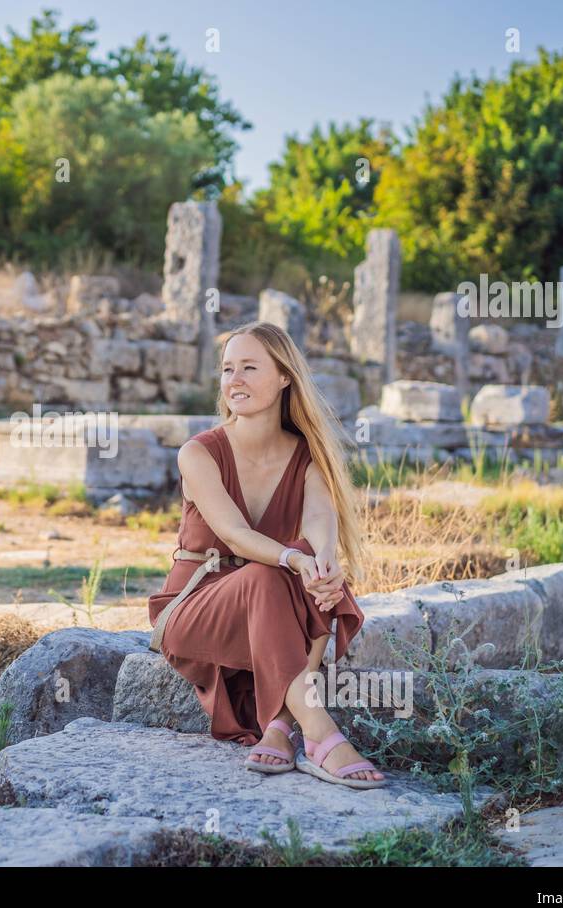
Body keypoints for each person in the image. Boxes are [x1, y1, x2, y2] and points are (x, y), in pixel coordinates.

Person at [147, 321, 385, 787]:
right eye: (227, 369)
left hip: (268, 606)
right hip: (195, 607)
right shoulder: (198, 453)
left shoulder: (309, 458)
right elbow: (235, 536)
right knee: (269, 571)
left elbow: (319, 524)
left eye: (249, 367)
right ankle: (319, 732)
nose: (234, 380)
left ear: (283, 377)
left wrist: (322, 563)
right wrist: (296, 561)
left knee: (318, 573)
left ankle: (278, 725)